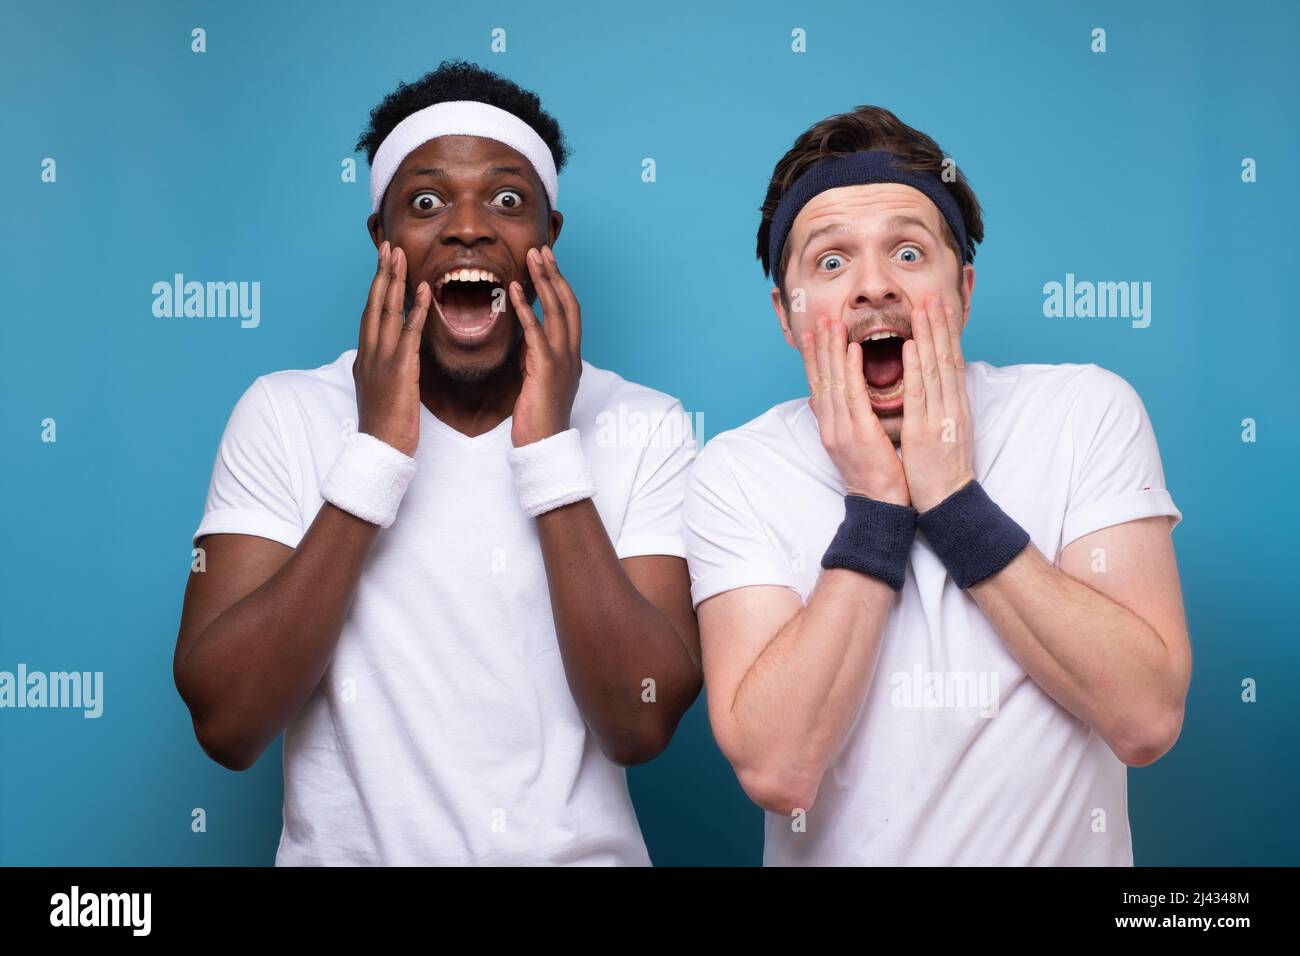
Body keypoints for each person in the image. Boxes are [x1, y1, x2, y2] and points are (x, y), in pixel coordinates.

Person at [174, 60, 701, 866]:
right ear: (381, 239)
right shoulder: (285, 413)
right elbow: (228, 724)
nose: (466, 227)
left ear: (549, 237)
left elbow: (639, 722)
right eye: (424, 202)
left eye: (507, 200)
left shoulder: (643, 424)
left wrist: (552, 451)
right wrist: (375, 456)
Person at [684, 105, 1190, 865]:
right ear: (787, 318)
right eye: (830, 262)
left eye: (910, 253)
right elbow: (778, 769)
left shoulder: (1085, 411)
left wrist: (954, 500)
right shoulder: (736, 471)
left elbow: (1145, 718)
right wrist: (876, 509)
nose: (872, 286)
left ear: (965, 290)